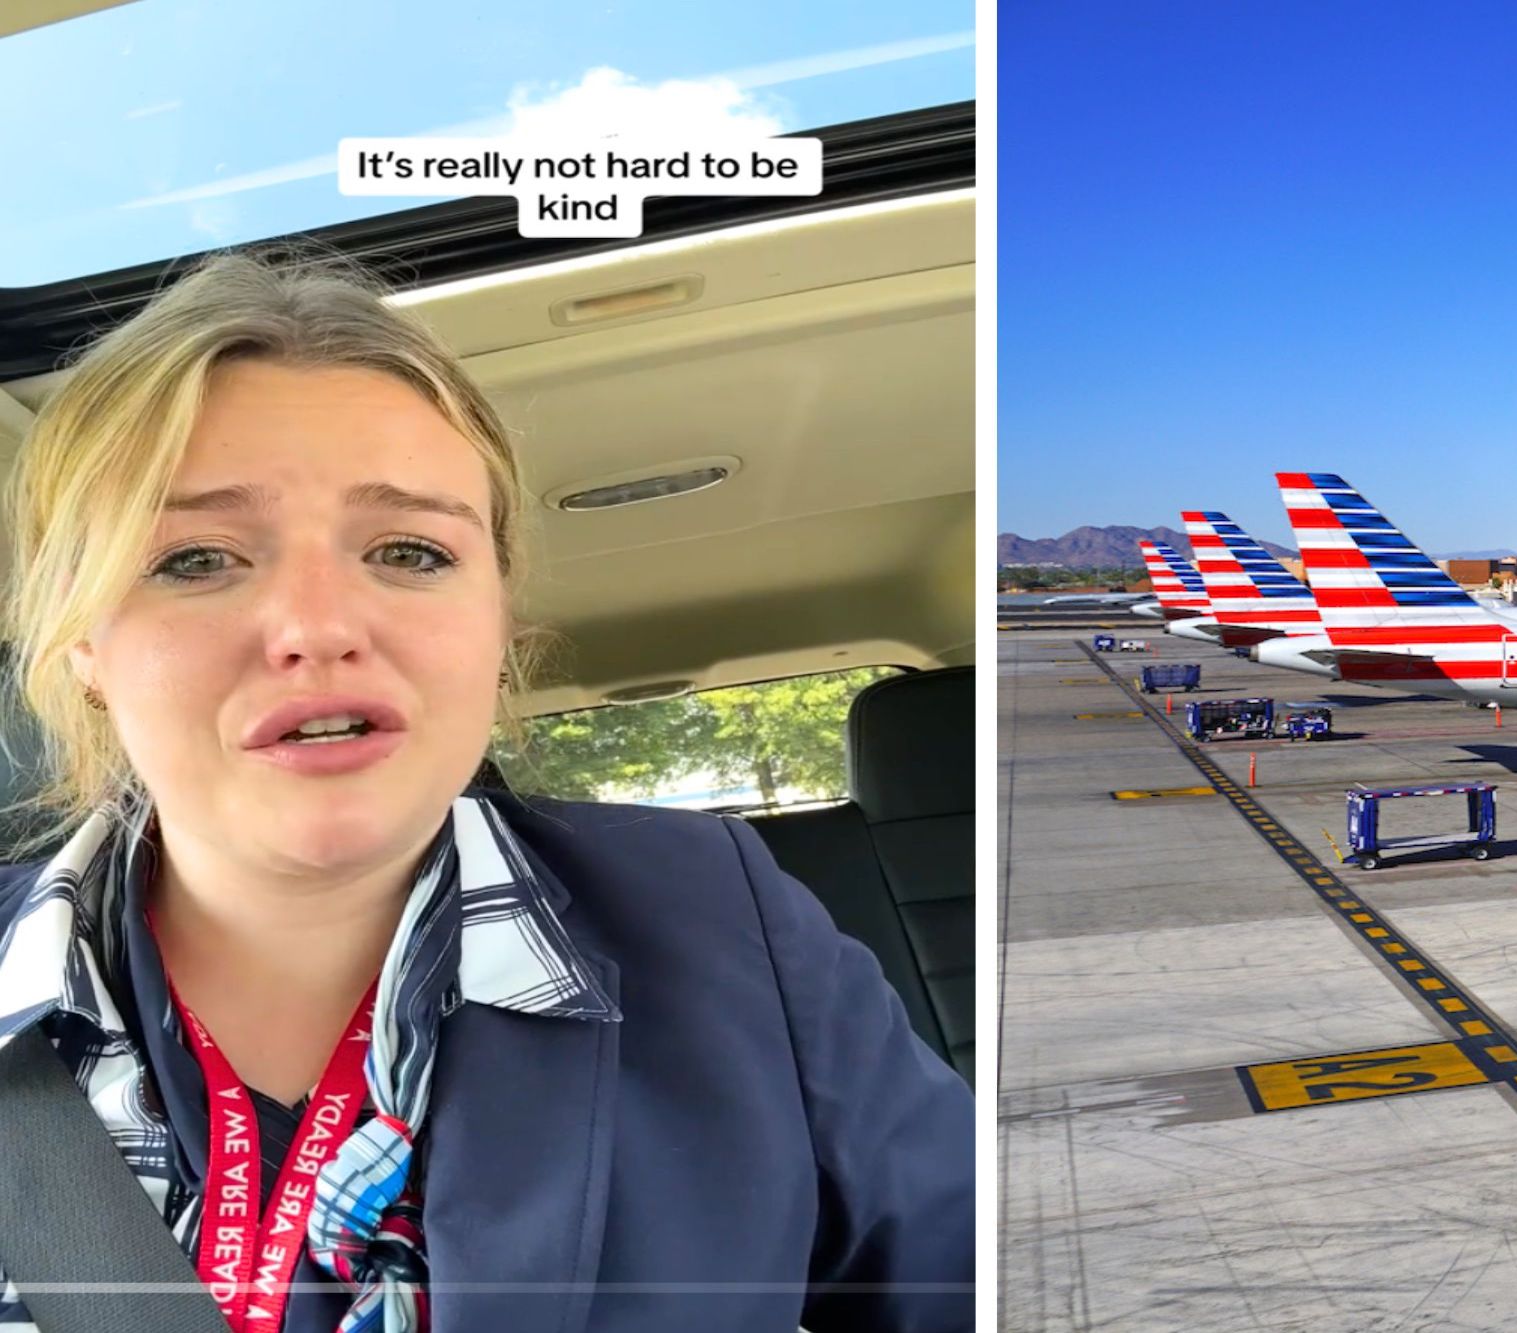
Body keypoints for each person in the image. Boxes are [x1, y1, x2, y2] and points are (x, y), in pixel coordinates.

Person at [0, 250, 974, 1332]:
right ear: (80, 637)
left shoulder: (717, 920)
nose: (320, 625)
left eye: (411, 550)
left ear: (498, 618)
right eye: (196, 560)